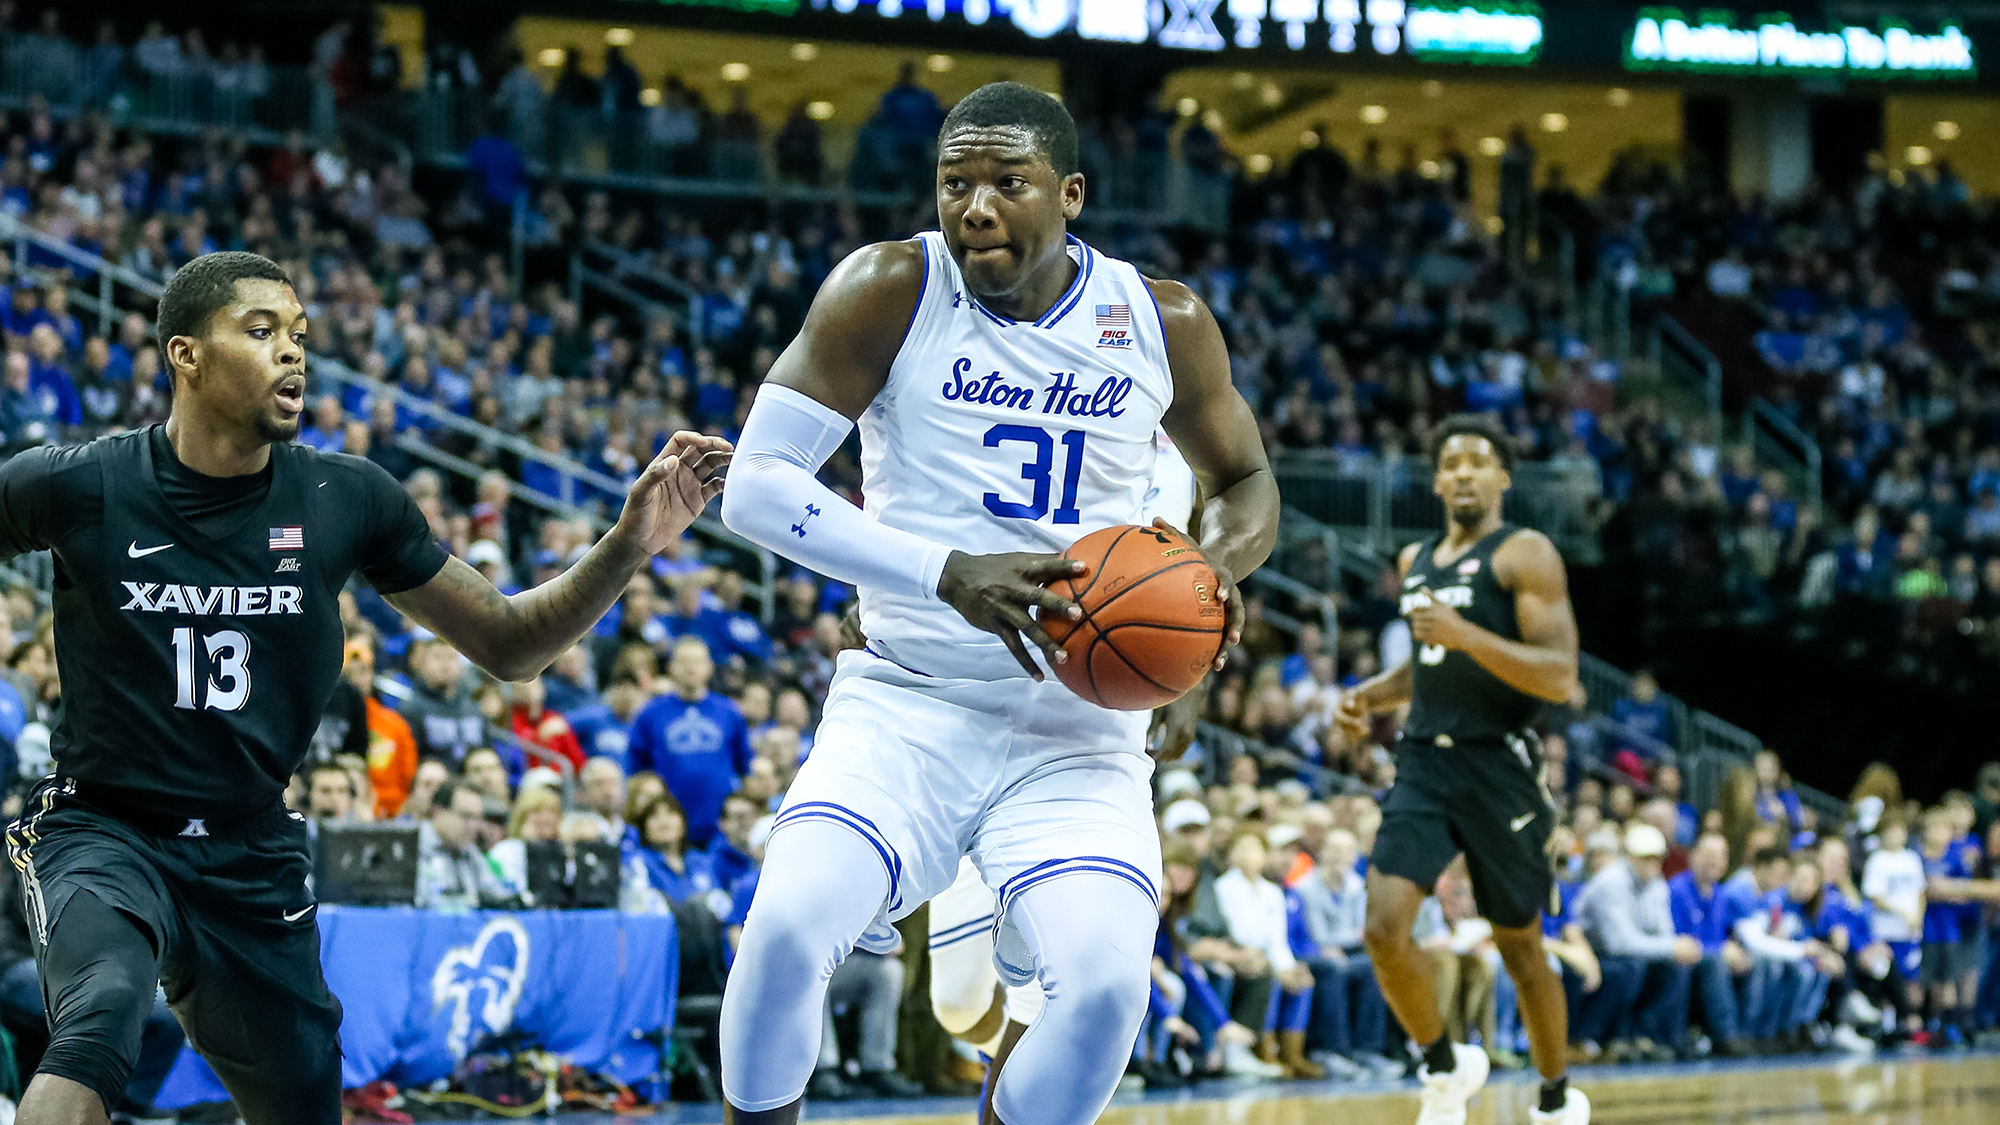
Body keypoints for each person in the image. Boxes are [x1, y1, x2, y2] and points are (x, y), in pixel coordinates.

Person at [0, 252, 729, 1125]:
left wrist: (628, 543)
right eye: (262, 331)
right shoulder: (81, 482)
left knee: (308, 1099)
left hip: (250, 846)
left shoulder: (344, 498)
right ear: (184, 356)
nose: (292, 354)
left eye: (300, 335)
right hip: (104, 828)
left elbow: (511, 643)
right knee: (102, 1012)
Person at [714, 83, 1277, 1125]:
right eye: (954, 182)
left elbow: (1244, 482)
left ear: (1067, 194)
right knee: (786, 929)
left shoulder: (1162, 321)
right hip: (906, 700)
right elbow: (755, 486)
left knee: (1107, 994)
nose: (974, 205)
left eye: (1005, 182)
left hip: (1078, 726)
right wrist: (942, 570)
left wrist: (1213, 573)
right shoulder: (887, 286)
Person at [1336, 413, 1588, 1125]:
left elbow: (1560, 674)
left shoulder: (1526, 553)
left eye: (1478, 461)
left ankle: (1555, 1094)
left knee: (1521, 946)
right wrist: (1369, 695)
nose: (1464, 473)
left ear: (1503, 476)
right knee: (1384, 927)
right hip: (1424, 761)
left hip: (1500, 765)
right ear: (1437, 480)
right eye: (1451, 464)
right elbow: (1429, 663)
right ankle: (1445, 1067)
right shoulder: (1418, 560)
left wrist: (1465, 633)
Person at [1572, 824, 1701, 1060]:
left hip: (1629, 952)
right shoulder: (1611, 882)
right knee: (1632, 968)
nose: (1651, 864)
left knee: (1675, 966)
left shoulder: (1657, 883)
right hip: (1594, 952)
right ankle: (1608, 1037)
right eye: (1645, 858)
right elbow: (1619, 943)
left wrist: (1676, 948)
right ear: (1629, 856)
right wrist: (1672, 947)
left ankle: (1647, 1036)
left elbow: (1663, 933)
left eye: (1656, 858)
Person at [627, 636, 752, 849]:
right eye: (684, 662)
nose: (690, 668)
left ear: (709, 668)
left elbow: (745, 766)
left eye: (697, 662)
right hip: (669, 825)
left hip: (720, 825)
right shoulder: (651, 713)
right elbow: (637, 770)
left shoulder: (729, 712)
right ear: (671, 667)